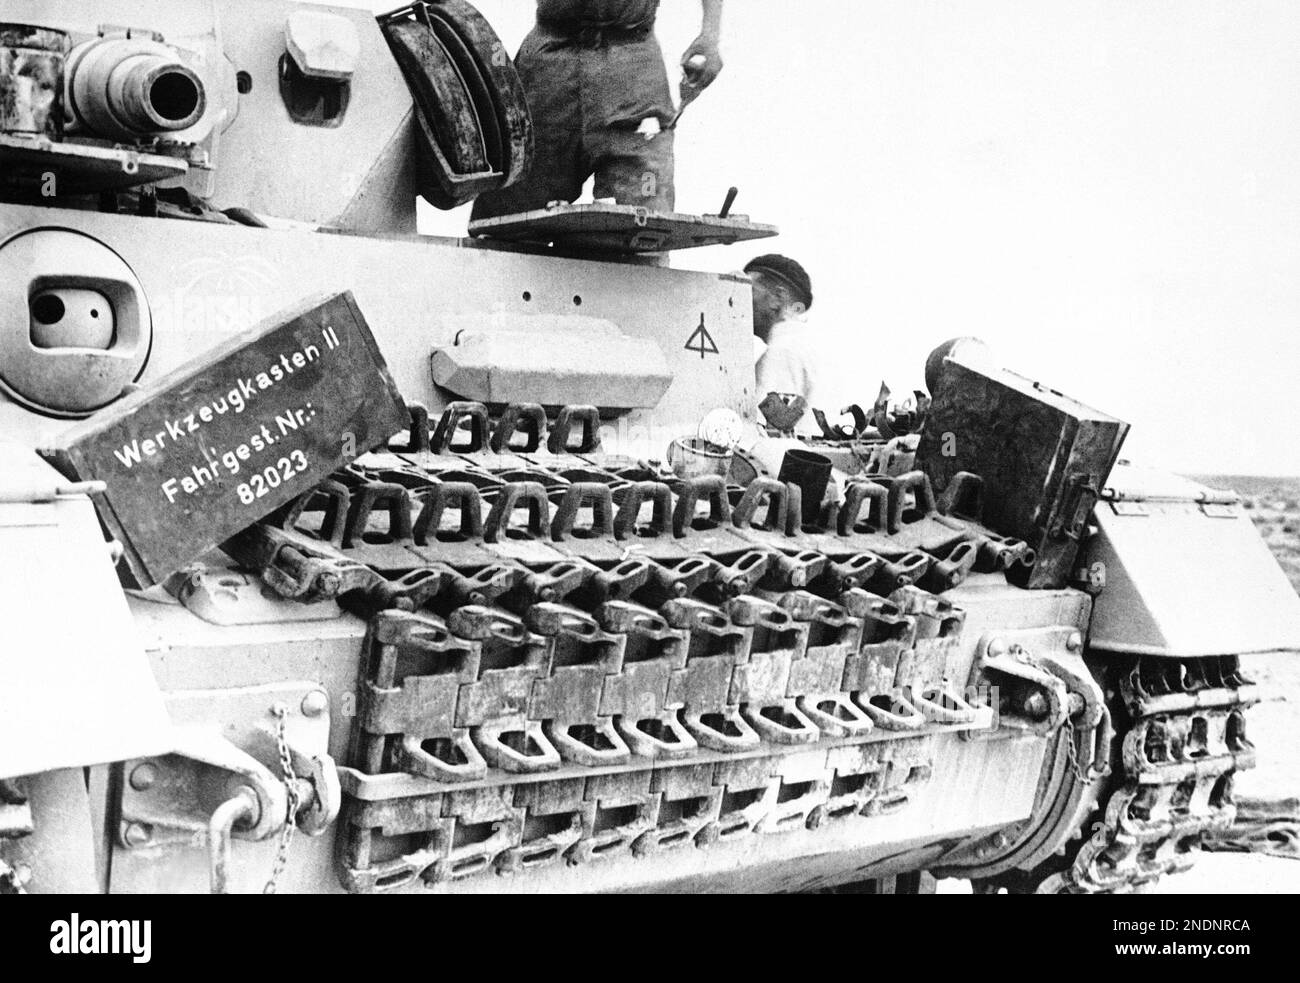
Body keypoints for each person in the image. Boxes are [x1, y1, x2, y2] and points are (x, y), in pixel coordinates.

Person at [471, 1, 724, 220]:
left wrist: (710, 35)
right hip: (549, 68)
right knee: (508, 217)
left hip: (633, 68)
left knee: (641, 217)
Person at [746, 253, 821, 434]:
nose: (740, 301)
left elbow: (765, 434)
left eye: (749, 291)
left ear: (777, 297)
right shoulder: (811, 346)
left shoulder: (781, 353)